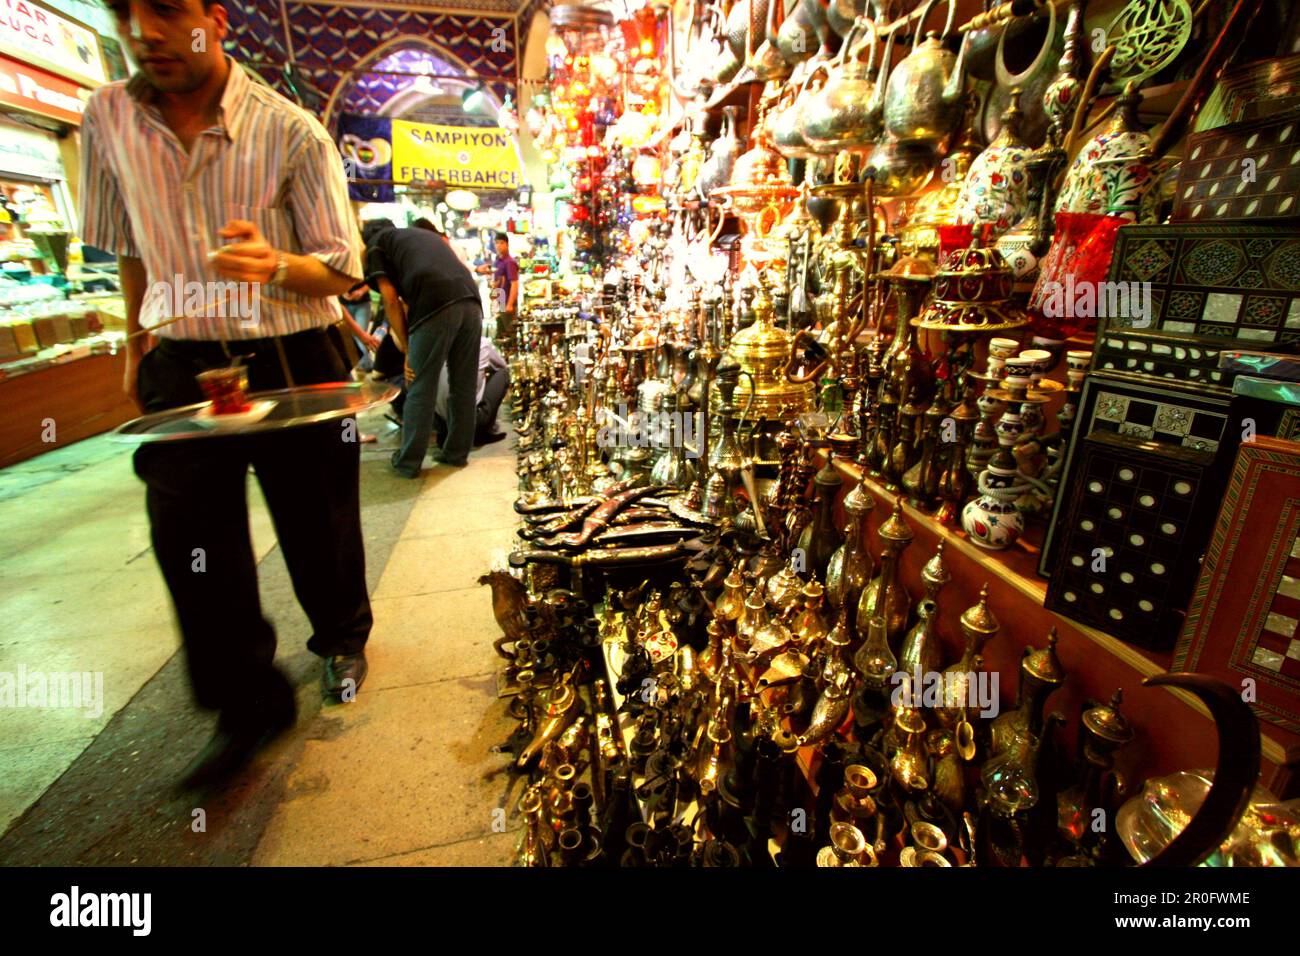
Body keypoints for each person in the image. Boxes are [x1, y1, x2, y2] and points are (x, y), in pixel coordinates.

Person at [81, 0, 373, 786]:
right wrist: (136, 340)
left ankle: (342, 640)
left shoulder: (289, 130)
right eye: (125, 13)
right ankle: (247, 700)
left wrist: (275, 262)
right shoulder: (107, 118)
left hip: (291, 354)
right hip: (183, 363)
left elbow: (342, 271)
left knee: (317, 518)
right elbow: (127, 248)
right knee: (189, 537)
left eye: (168, 11)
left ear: (214, 16)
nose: (145, 31)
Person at [362, 218, 482, 475]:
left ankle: (408, 462)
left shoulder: (375, 245)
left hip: (435, 304)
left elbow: (392, 301)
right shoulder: (415, 237)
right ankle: (456, 454)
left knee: (419, 385)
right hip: (471, 300)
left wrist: (406, 349)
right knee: (464, 384)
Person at [433, 336, 509, 447]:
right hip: (470, 421)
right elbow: (502, 366)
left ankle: (445, 434)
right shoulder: (480, 342)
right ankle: (484, 432)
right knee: (503, 374)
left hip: (439, 422)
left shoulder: (436, 342)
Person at [476, 232, 518, 344]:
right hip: (499, 302)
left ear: (507, 244)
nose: (499, 245)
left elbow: (514, 283)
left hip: (506, 302)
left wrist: (509, 304)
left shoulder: (509, 262)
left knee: (510, 333)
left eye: (501, 243)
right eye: (497, 243)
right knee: (501, 334)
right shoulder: (497, 262)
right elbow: (497, 281)